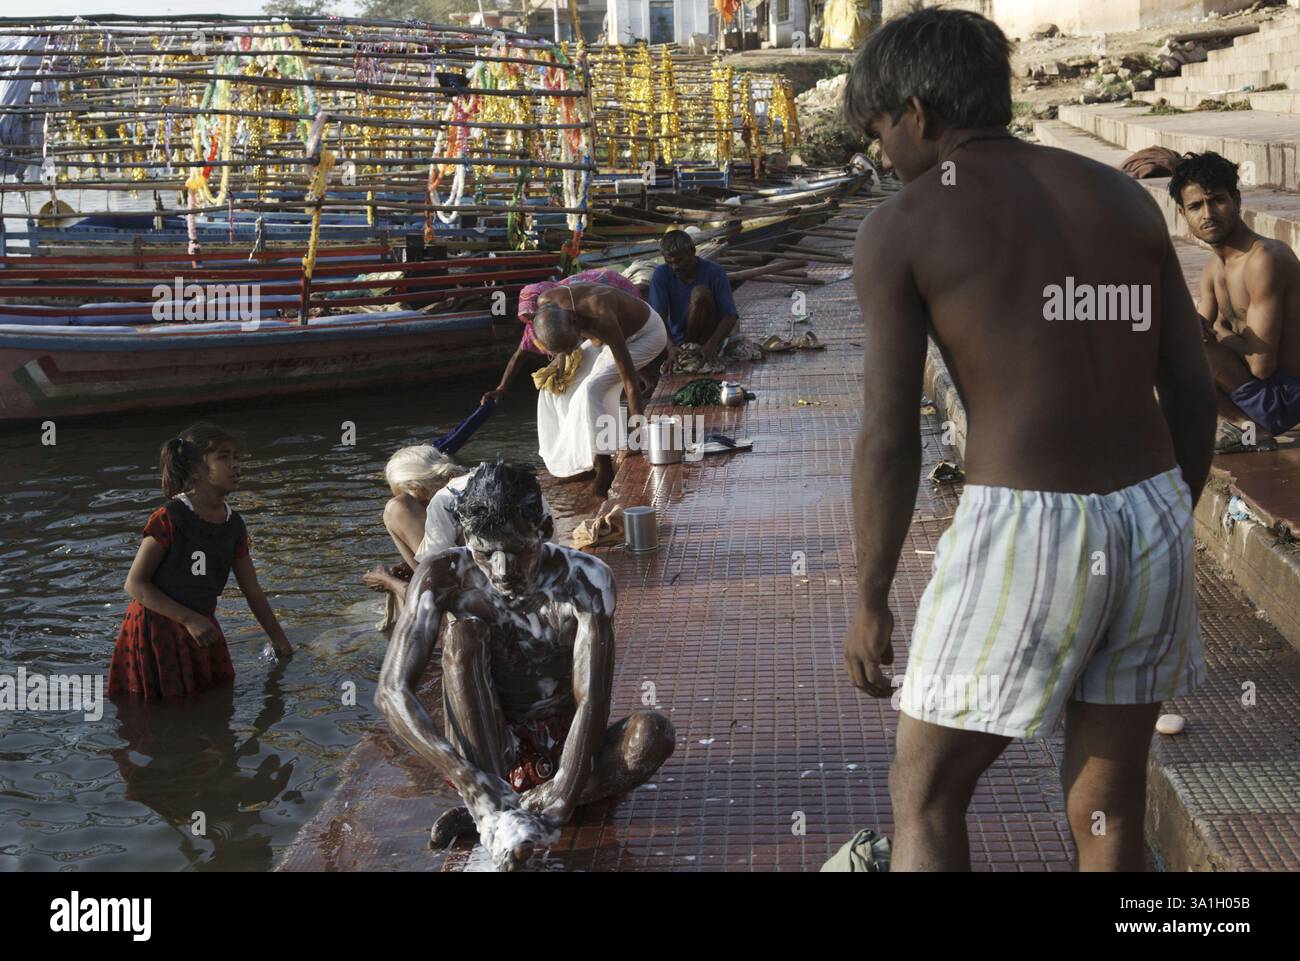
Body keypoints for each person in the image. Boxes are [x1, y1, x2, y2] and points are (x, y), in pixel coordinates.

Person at [838, 9, 1216, 872]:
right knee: (1106, 802)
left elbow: (890, 437)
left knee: (925, 792)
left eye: (878, 131)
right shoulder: (1121, 195)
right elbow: (1193, 395)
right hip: (1153, 509)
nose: (881, 155)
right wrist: (1164, 517)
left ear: (918, 111)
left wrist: (869, 595)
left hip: (1029, 526)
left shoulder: (903, 225)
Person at [375, 462, 675, 871]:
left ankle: (524, 806)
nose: (501, 571)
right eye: (485, 552)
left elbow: (591, 700)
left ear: (545, 529)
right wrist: (467, 778)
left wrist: (561, 802)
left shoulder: (585, 578)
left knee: (652, 735)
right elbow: (392, 690)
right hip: (489, 747)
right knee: (463, 638)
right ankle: (494, 807)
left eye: (517, 551)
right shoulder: (443, 574)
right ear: (467, 540)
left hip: (565, 745)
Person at [110, 423, 292, 700]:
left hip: (201, 625)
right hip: (158, 628)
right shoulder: (170, 517)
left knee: (211, 700)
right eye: (223, 457)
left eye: (236, 457)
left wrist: (279, 639)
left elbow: (252, 590)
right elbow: (135, 584)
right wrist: (188, 619)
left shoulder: (234, 525)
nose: (235, 465)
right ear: (196, 470)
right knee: (161, 706)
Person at [1171, 151, 1300, 451]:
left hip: (1285, 394)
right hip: (1254, 391)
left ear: (1236, 200)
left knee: (1180, 343)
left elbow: (1260, 366)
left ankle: (1248, 429)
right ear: (1182, 214)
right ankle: (1235, 423)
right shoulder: (1213, 269)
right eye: (1195, 206)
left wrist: (1215, 333)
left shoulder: (1265, 259)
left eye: (1216, 200)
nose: (1208, 214)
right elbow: (1206, 331)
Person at [531, 281, 669, 496]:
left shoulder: (602, 316)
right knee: (552, 390)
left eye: (570, 346)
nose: (569, 352)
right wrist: (559, 363)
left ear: (575, 321)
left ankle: (604, 466)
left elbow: (630, 383)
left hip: (646, 335)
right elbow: (556, 337)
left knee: (592, 388)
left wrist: (636, 439)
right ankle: (579, 456)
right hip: (600, 338)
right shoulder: (546, 301)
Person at [480, 268, 646, 408]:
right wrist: (502, 388)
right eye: (529, 319)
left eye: (533, 317)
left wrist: (561, 366)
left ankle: (640, 387)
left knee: (624, 348)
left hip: (615, 289)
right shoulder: (535, 325)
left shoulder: (572, 309)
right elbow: (519, 355)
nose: (532, 321)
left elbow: (572, 343)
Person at [648, 230, 740, 367]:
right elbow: (657, 317)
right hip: (678, 340)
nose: (675, 267)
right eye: (669, 262)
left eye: (679, 261)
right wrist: (671, 347)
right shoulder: (661, 274)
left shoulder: (714, 272)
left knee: (700, 293)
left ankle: (694, 350)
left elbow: (730, 316)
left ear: (692, 251)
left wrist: (711, 345)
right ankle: (684, 351)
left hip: (707, 337)